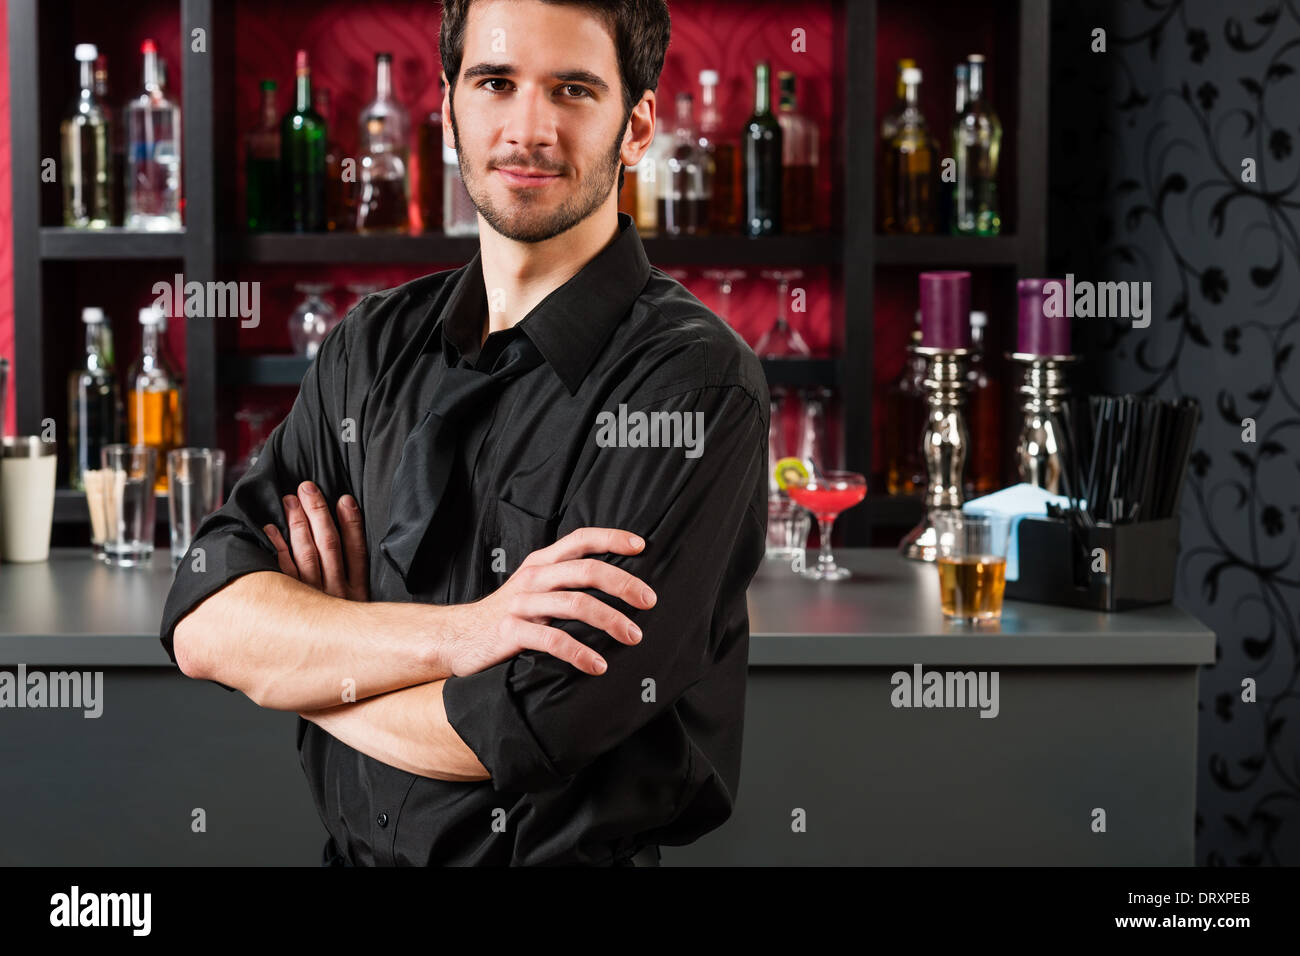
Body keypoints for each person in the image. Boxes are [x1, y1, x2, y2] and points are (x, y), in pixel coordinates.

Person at [159, 0, 768, 866]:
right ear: (448, 111)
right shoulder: (368, 347)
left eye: (572, 90)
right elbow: (205, 619)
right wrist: (463, 632)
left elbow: (525, 724)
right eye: (495, 83)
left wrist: (307, 669)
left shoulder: (692, 387)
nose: (529, 129)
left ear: (636, 128)